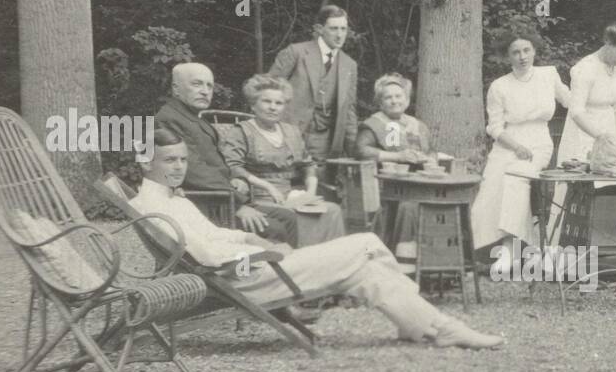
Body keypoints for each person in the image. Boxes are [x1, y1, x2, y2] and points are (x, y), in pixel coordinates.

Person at [132, 129, 504, 349]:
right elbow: (209, 257)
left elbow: (212, 235)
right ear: (145, 162)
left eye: (182, 159)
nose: (179, 167)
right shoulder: (153, 206)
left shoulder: (168, 197)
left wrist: (246, 235)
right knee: (367, 244)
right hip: (246, 278)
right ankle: (432, 324)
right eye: (169, 161)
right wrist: (260, 249)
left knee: (370, 273)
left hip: (249, 269)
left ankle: (430, 327)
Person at [155, 62, 297, 244]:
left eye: (209, 86)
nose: (205, 91)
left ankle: (290, 269)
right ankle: (261, 271)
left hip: (221, 199)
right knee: (275, 228)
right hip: (204, 206)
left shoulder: (195, 119)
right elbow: (193, 172)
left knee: (288, 217)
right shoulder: (169, 119)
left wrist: (236, 179)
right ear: (176, 89)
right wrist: (238, 205)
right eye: (197, 84)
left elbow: (218, 165)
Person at [470, 30, 571, 272]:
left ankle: (510, 248)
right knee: (491, 187)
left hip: (539, 143)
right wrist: (515, 146)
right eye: (515, 52)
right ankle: (490, 250)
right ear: (507, 57)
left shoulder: (548, 75)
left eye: (526, 50)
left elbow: (572, 102)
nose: (522, 56)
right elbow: (494, 127)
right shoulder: (499, 86)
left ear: (535, 50)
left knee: (516, 179)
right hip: (508, 143)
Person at [548, 20, 616, 250]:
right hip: (583, 132)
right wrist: (600, 136)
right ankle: (568, 253)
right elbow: (576, 112)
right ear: (608, 44)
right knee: (581, 191)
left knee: (611, 189)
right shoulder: (585, 69)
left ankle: (610, 252)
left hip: (609, 132)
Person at [218, 74, 346, 246]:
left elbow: (307, 164)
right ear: (253, 105)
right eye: (266, 102)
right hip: (259, 198)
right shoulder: (241, 131)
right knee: (293, 215)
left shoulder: (291, 131)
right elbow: (232, 167)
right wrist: (267, 186)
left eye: (278, 103)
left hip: (291, 196)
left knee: (333, 210)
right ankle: (300, 261)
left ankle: (330, 261)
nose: (273, 108)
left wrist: (310, 192)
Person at [353, 73, 434, 262]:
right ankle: (403, 260)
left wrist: (431, 160)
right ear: (380, 102)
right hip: (387, 186)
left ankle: (432, 262)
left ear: (406, 100)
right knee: (409, 206)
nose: (394, 101)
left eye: (398, 96)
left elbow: (431, 151)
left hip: (420, 183)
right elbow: (360, 150)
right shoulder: (375, 123)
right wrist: (397, 156)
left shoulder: (416, 125)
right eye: (388, 97)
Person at [267, 3, 359, 170]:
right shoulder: (296, 53)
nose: (339, 35)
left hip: (324, 140)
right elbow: (267, 91)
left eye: (343, 29)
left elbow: (349, 111)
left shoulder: (349, 65)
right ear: (319, 28)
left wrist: (355, 151)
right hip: (288, 132)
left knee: (317, 184)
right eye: (334, 29)